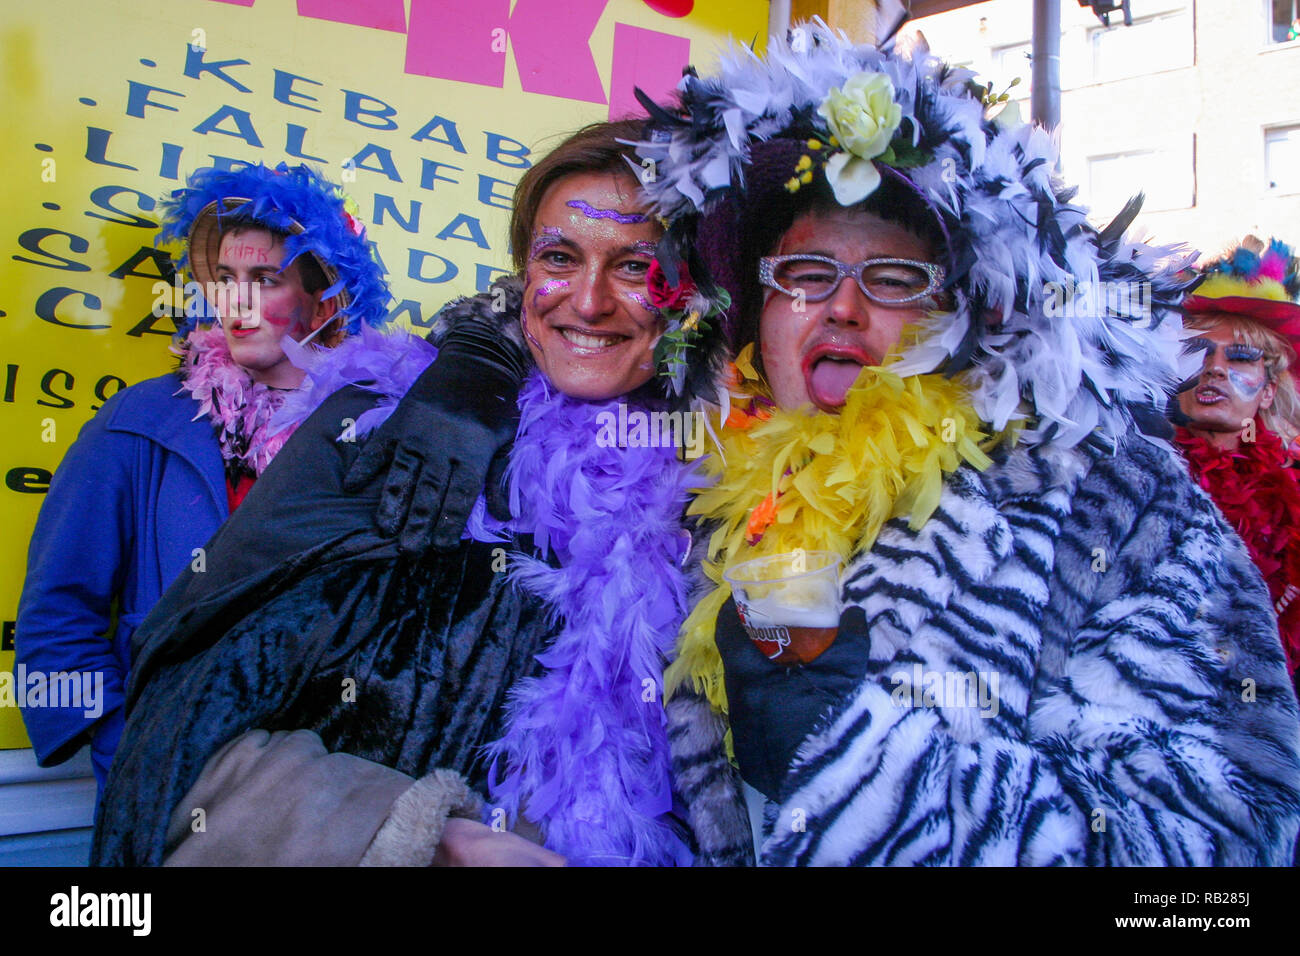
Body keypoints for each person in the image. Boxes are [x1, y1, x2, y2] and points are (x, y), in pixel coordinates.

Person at [634, 22, 1300, 865]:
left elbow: (1224, 849)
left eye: (894, 279)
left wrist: (854, 761)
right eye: (804, 276)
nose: (841, 308)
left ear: (961, 318)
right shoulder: (690, 492)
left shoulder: (1110, 498)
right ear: (757, 317)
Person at [92, 120, 725, 867]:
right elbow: (182, 720)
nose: (587, 302)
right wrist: (426, 836)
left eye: (634, 268)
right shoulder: (389, 421)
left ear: (686, 292)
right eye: (558, 257)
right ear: (522, 275)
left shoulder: (716, 481)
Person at [15, 162, 390, 795]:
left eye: (265, 280)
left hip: (328, 791)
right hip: (165, 789)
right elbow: (58, 605)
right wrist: (124, 740)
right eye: (225, 279)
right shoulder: (142, 419)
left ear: (322, 298)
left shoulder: (379, 430)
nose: (237, 302)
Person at [1174, 237, 1300, 686]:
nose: (1215, 369)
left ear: (1268, 390)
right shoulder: (1136, 479)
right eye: (1198, 352)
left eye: (1240, 357)